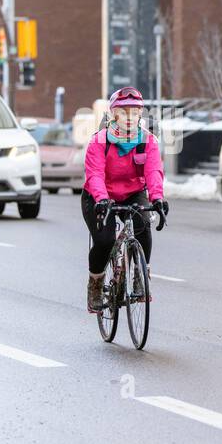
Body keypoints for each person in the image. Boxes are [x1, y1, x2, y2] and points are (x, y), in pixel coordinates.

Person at [81, 87, 168, 312]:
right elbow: (95, 174)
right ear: (113, 115)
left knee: (142, 226)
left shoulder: (148, 141)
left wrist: (157, 198)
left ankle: (140, 275)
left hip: (132, 192)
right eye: (124, 112)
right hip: (99, 195)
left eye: (135, 112)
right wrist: (101, 198)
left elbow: (153, 171)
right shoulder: (99, 141)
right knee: (105, 241)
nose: (130, 117)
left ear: (141, 115)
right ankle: (96, 287)